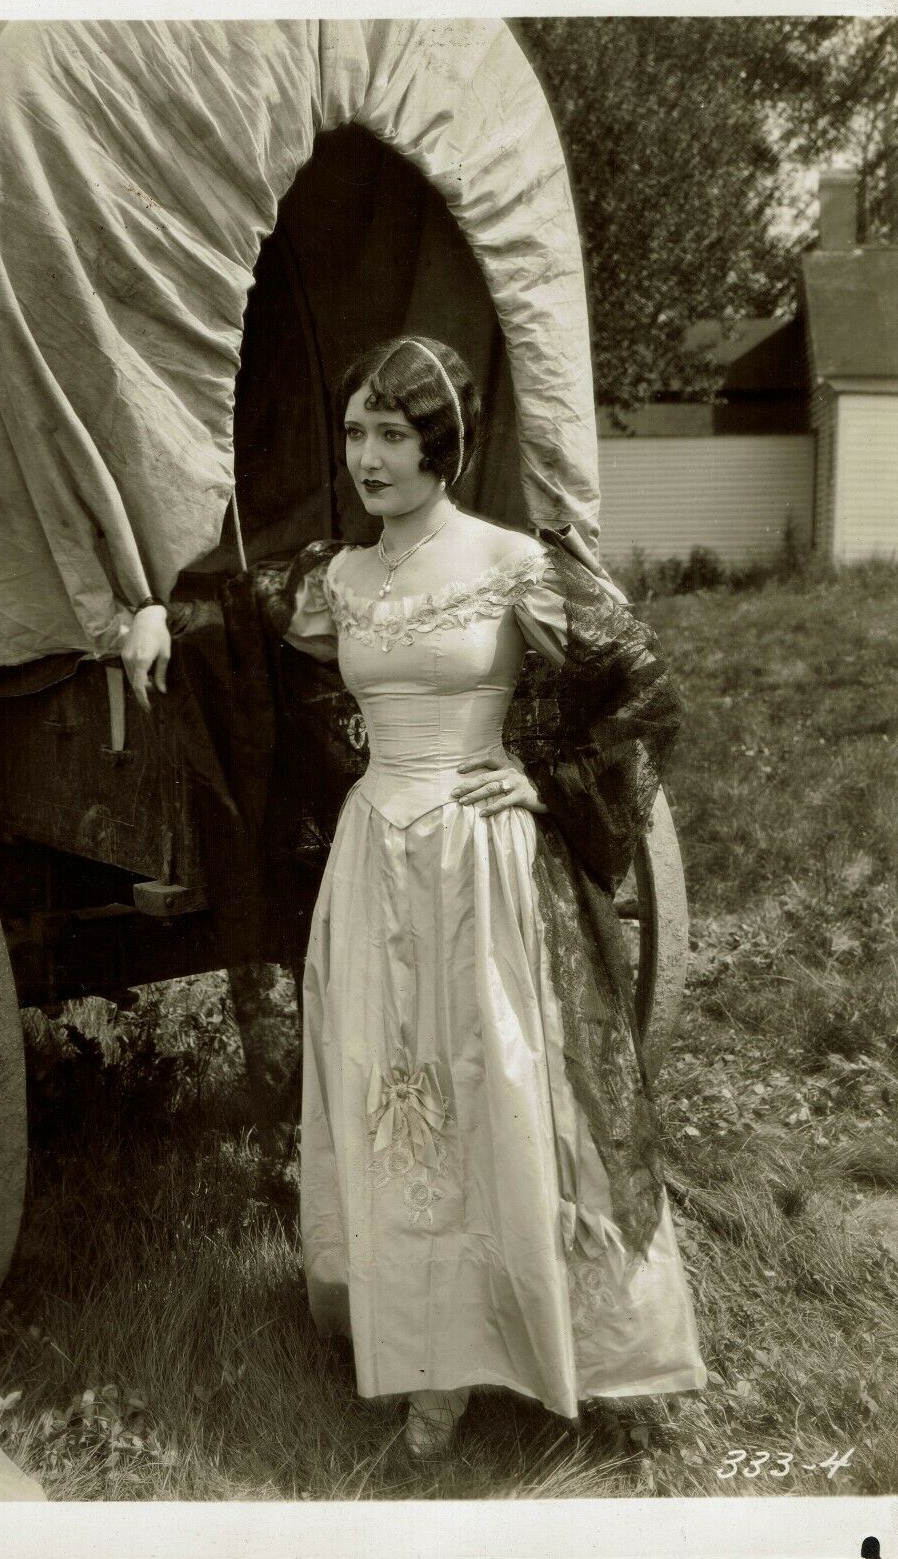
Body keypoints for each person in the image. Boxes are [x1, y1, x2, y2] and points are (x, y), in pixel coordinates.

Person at [276, 335, 706, 1458]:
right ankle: (426, 1352)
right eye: (357, 430)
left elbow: (642, 690)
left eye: (393, 433)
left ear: (444, 445)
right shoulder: (340, 578)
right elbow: (248, 627)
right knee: (397, 1091)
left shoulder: (516, 563)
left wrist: (539, 770)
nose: (368, 454)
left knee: (498, 1085)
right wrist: (149, 621)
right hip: (376, 859)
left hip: (482, 863)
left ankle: (542, 1331)